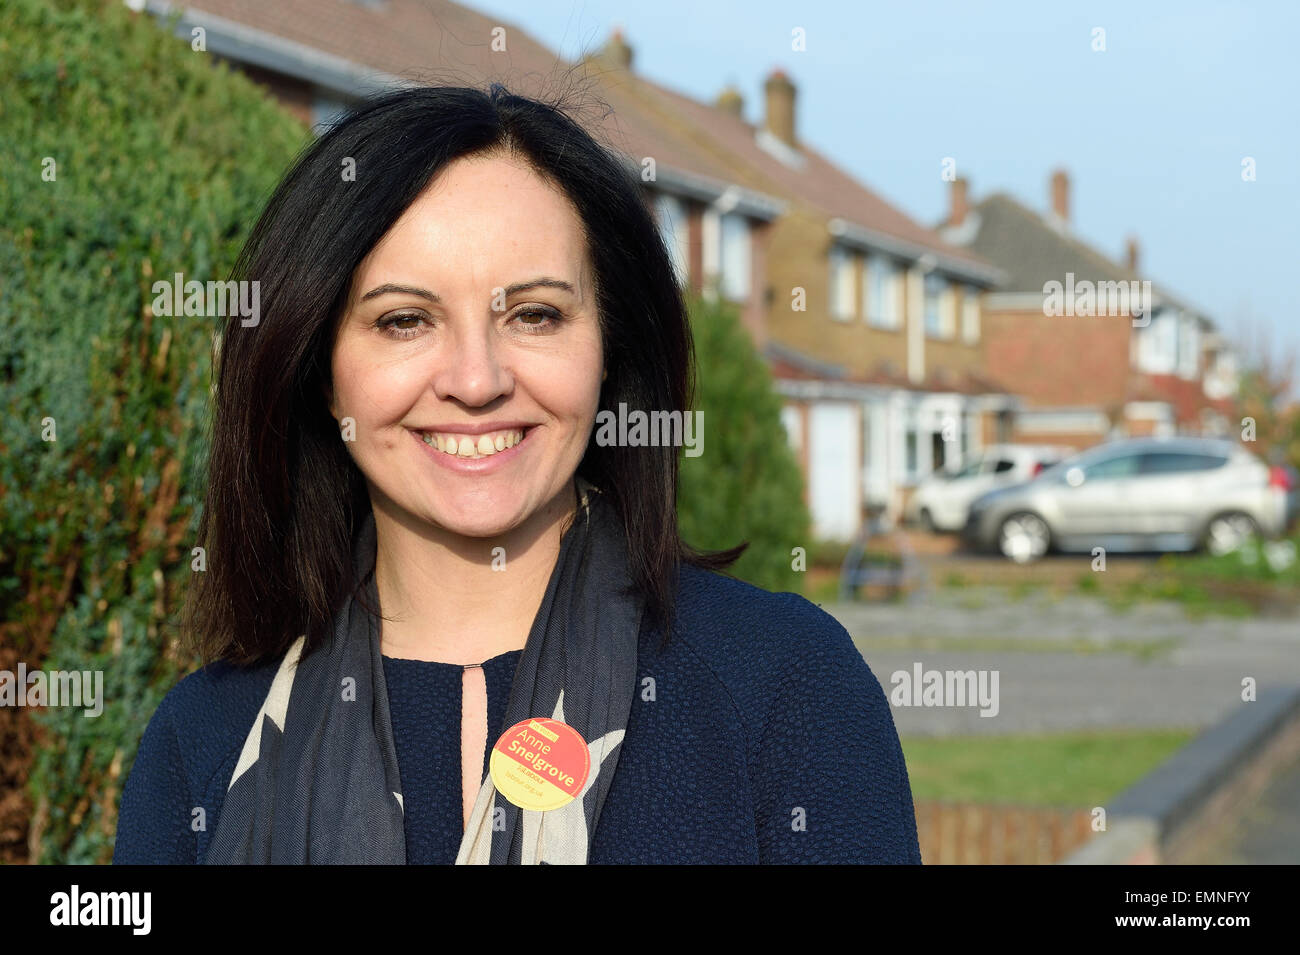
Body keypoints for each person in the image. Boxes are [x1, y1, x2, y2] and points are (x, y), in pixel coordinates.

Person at [112, 83, 921, 865]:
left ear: (610, 351)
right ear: (321, 369)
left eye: (534, 314)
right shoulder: (204, 737)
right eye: (404, 320)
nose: (476, 379)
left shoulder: (785, 688)